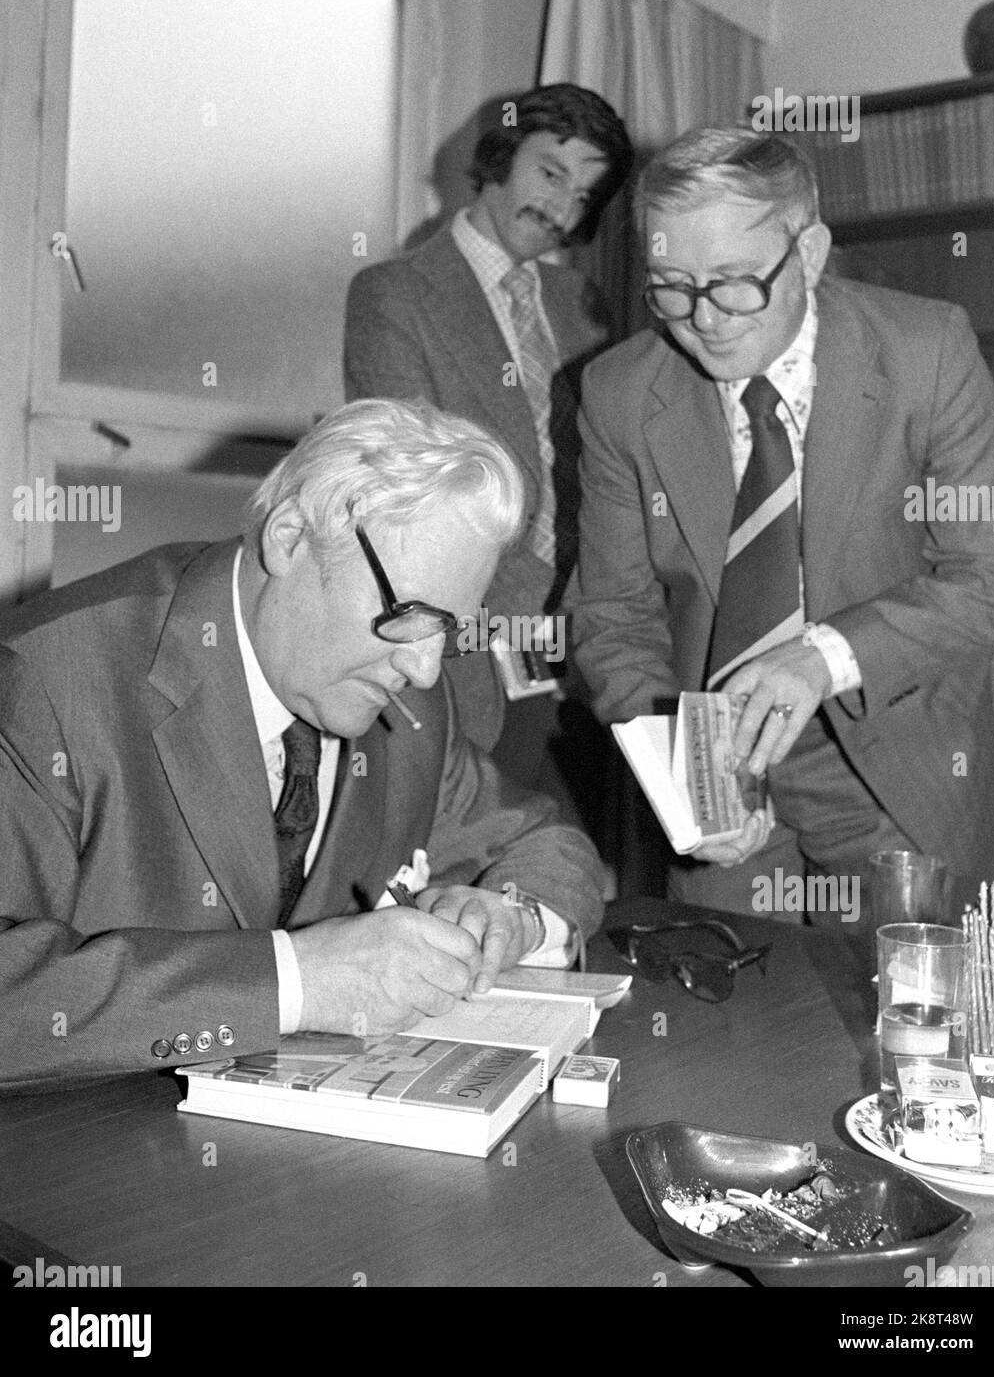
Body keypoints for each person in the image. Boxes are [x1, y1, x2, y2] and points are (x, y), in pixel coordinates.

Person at [0, 400, 604, 1089]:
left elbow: (544, 845)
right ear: (289, 538)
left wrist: (509, 916)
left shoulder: (404, 699)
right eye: (410, 617)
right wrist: (298, 978)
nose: (426, 669)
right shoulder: (44, 681)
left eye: (451, 631)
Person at [573, 125, 994, 928]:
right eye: (670, 285)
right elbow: (612, 617)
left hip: (894, 769)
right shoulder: (617, 393)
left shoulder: (925, 351)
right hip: (719, 781)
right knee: (727, 1030)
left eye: (734, 282)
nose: (701, 318)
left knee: (896, 1019)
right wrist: (684, 775)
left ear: (808, 254)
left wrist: (820, 659)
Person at [344, 83, 633, 771]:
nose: (562, 208)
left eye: (585, 194)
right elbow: (416, 492)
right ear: (500, 156)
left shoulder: (583, 303)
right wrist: (535, 609)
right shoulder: (393, 295)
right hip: (473, 649)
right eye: (550, 173)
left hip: (593, 647)